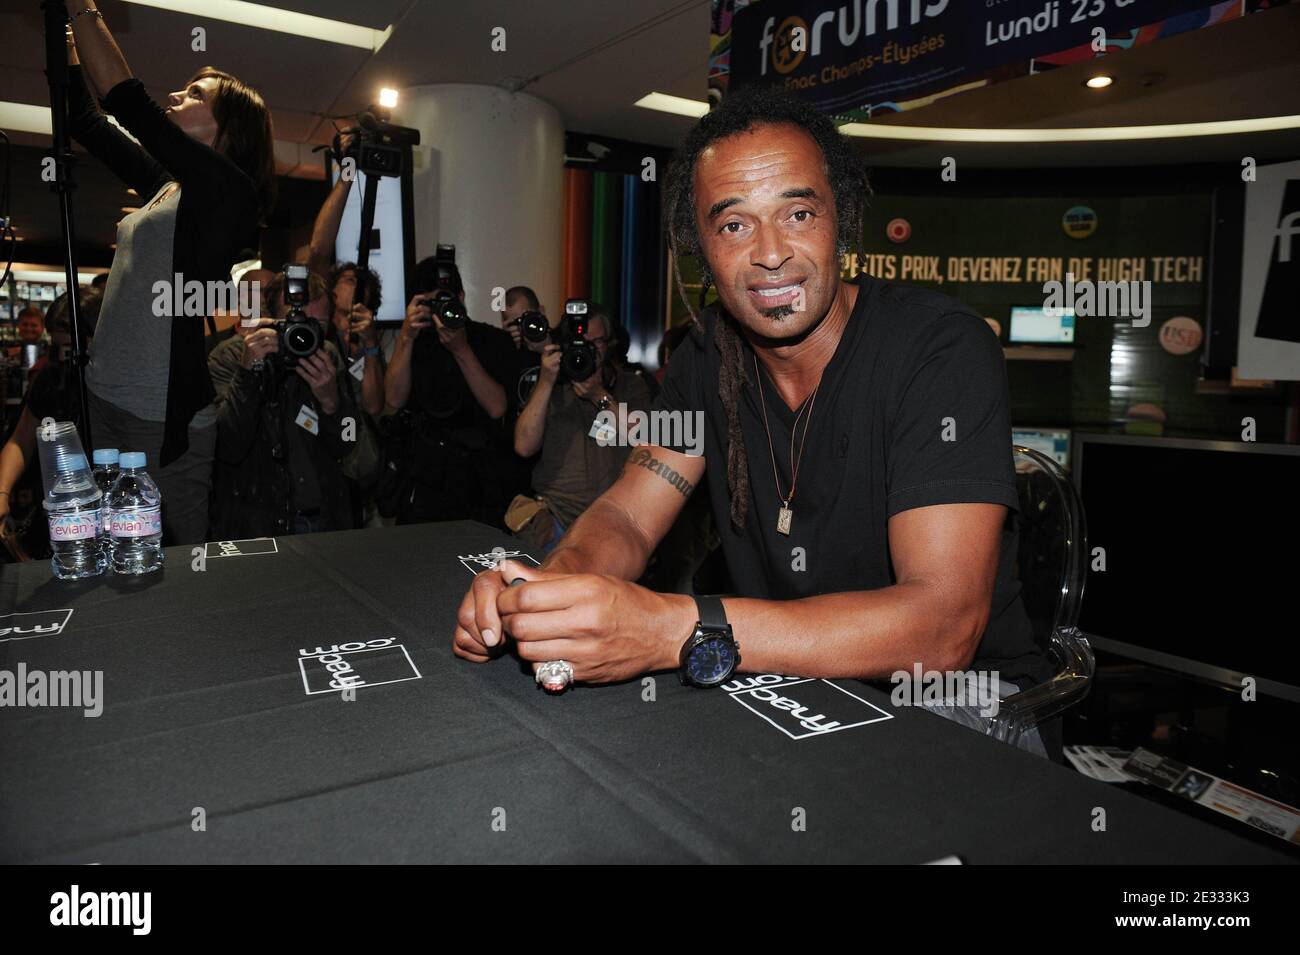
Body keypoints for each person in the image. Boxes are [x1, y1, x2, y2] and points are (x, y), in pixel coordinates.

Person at [452, 85, 1055, 759]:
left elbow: (942, 628)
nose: (770, 253)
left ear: (842, 220)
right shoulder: (706, 359)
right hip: (788, 687)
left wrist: (673, 627)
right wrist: (553, 590)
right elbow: (625, 516)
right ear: (701, 249)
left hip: (963, 711)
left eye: (798, 212)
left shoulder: (940, 349)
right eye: (734, 224)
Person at [66, 2, 274, 544]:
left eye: (196, 93)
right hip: (102, 394)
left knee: (174, 568)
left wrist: (83, 9)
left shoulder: (228, 191)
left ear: (231, 127)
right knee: (106, 549)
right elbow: (87, 121)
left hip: (161, 417)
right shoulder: (168, 184)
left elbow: (126, 103)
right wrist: (69, 51)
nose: (179, 96)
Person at [207, 269, 355, 538]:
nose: (302, 335)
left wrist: (332, 403)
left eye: (315, 325)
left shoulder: (328, 355)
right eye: (294, 322)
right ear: (270, 318)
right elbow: (227, 445)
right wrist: (248, 373)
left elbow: (349, 439)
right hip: (258, 522)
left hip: (324, 517)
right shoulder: (230, 356)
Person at [381, 254, 524, 527]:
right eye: (429, 302)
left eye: (446, 299)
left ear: (461, 296)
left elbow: (497, 407)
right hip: (424, 481)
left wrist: (460, 349)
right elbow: (393, 398)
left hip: (480, 485)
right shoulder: (415, 342)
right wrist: (406, 337)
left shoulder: (493, 340)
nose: (440, 310)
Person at [511, 304, 651, 553]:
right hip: (554, 519)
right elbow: (523, 446)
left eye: (595, 342)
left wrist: (600, 397)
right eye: (579, 341)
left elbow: (647, 439)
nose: (586, 349)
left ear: (608, 344)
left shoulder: (630, 385)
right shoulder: (551, 384)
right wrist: (546, 380)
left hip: (613, 523)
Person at [0, 289, 103, 559]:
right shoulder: (51, 376)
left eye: (69, 349)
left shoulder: (115, 382)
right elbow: (20, 440)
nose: (60, 358)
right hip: (58, 511)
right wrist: (1, 491)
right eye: (56, 346)